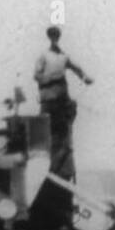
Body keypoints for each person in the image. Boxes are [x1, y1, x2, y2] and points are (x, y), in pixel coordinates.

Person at [33, 25, 92, 182]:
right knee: (47, 135)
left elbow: (76, 68)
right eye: (52, 36)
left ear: (58, 38)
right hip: (48, 100)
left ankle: (62, 166)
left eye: (56, 36)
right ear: (49, 38)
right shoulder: (43, 56)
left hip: (61, 99)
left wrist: (85, 77)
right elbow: (37, 75)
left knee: (64, 136)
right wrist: (51, 77)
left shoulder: (64, 56)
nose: (55, 39)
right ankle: (48, 167)